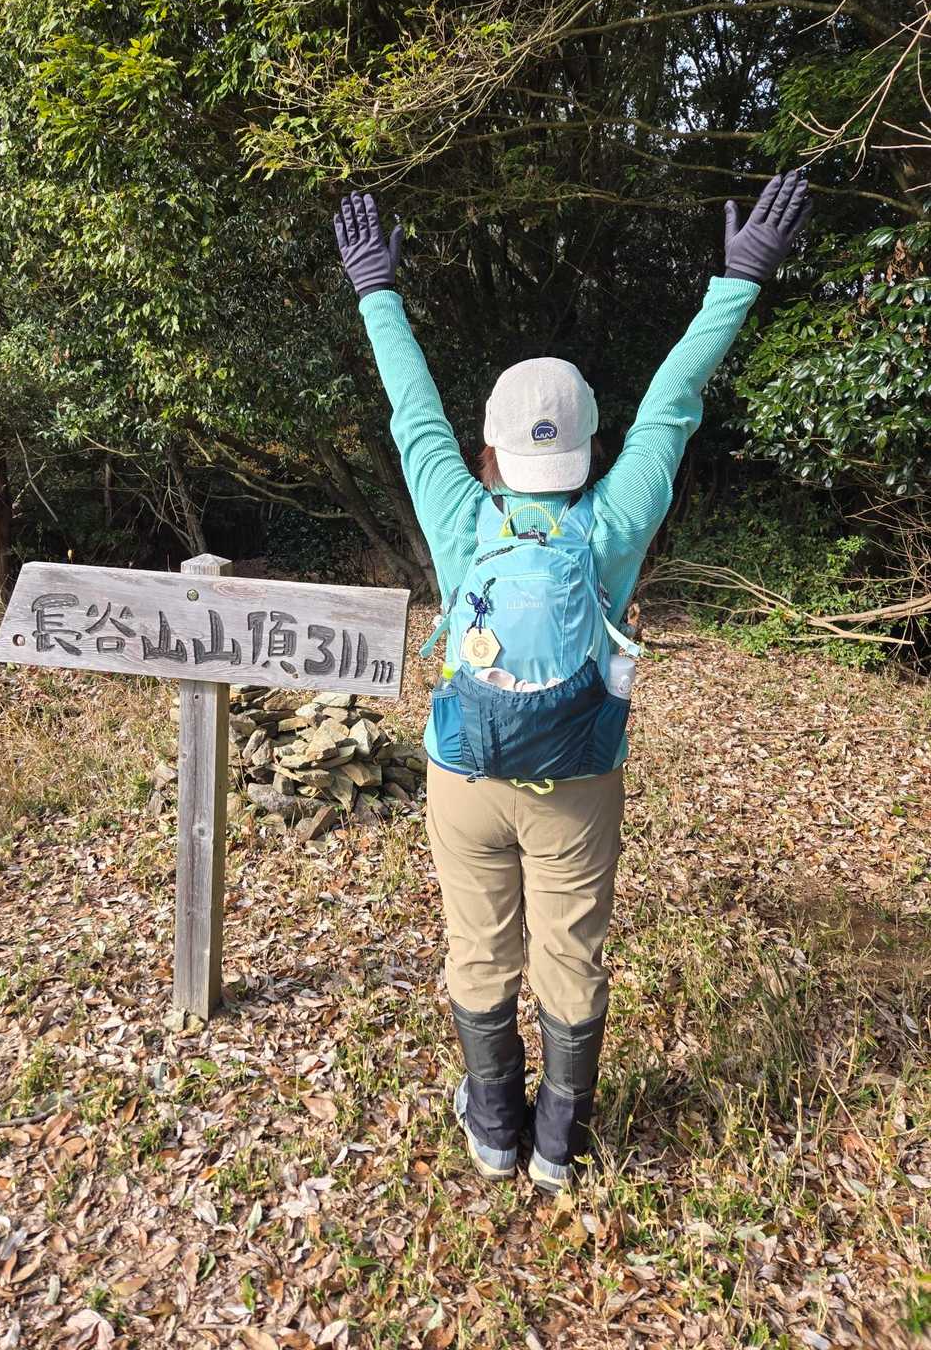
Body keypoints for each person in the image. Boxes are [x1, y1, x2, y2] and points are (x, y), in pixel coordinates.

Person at [333, 172, 812, 1192]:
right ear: (594, 445)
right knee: (572, 949)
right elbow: (675, 405)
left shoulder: (463, 517)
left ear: (490, 449)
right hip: (581, 781)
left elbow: (410, 406)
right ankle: (559, 1144)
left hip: (463, 773)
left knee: (480, 945)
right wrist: (738, 280)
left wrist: (377, 286)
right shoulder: (612, 523)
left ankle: (494, 1128)